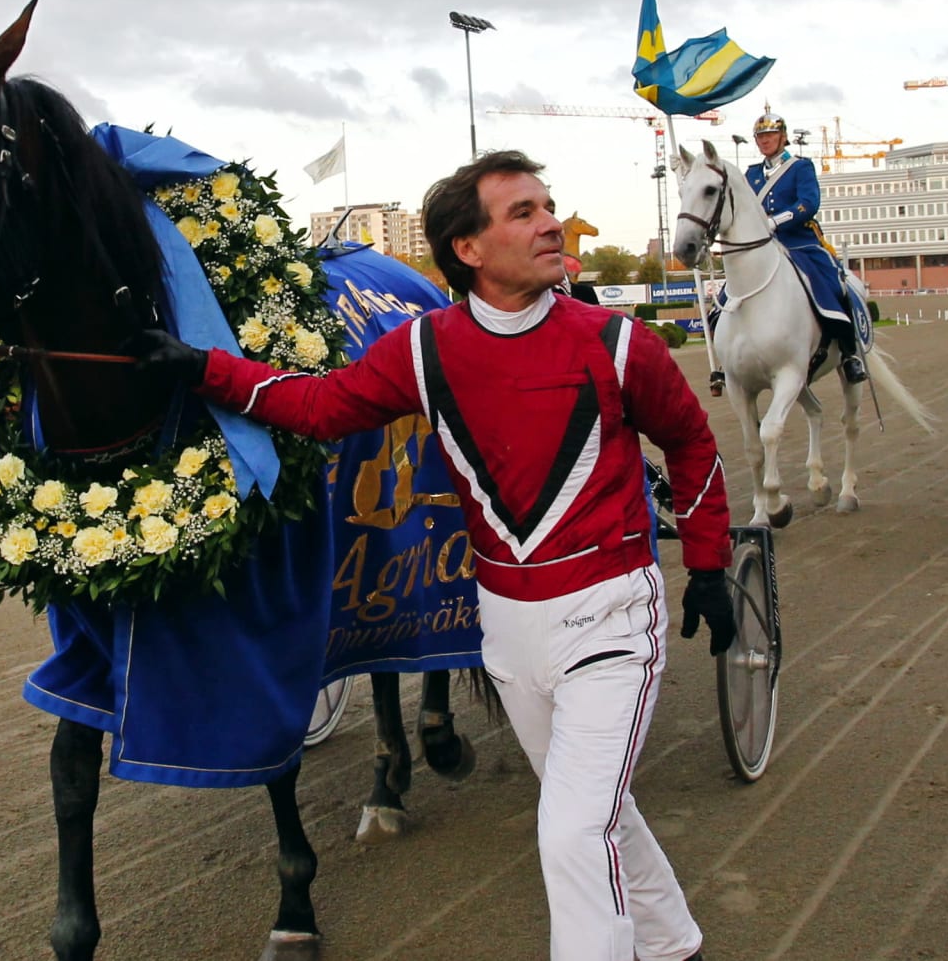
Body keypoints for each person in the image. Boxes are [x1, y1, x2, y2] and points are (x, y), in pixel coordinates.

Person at [131, 150, 731, 961]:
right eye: (522, 212)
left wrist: (709, 563)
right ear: (468, 249)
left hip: (612, 617)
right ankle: (674, 941)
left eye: (547, 205)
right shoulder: (424, 349)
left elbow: (692, 441)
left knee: (569, 836)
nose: (552, 222)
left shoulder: (618, 343)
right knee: (594, 814)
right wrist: (206, 368)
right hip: (509, 628)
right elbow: (320, 406)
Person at [745, 105, 867, 384]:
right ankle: (728, 359)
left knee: (834, 284)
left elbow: (808, 204)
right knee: (728, 294)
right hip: (763, 247)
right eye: (760, 136)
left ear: (783, 136)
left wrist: (775, 221)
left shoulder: (800, 166)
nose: (765, 140)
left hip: (799, 242)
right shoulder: (750, 174)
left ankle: (850, 354)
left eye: (771, 135)